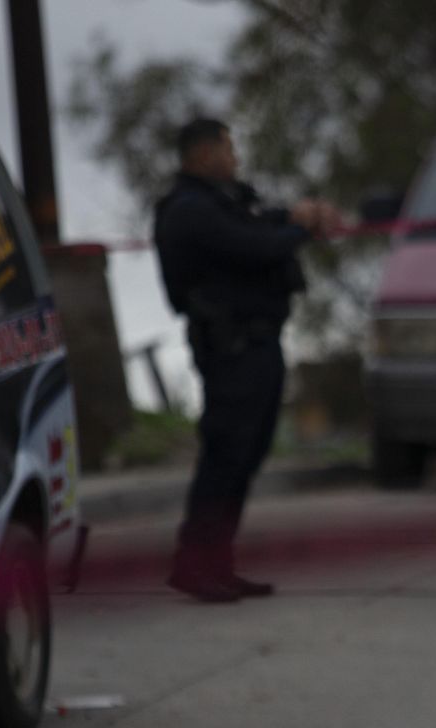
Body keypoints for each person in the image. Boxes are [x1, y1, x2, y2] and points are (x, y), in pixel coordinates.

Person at [154, 118, 334, 603]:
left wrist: (301, 217)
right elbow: (254, 247)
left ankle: (219, 562)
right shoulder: (189, 211)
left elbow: (261, 223)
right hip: (231, 347)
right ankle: (194, 563)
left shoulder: (225, 202)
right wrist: (299, 227)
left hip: (258, 344)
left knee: (246, 458)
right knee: (225, 456)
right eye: (226, 148)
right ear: (202, 153)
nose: (234, 157)